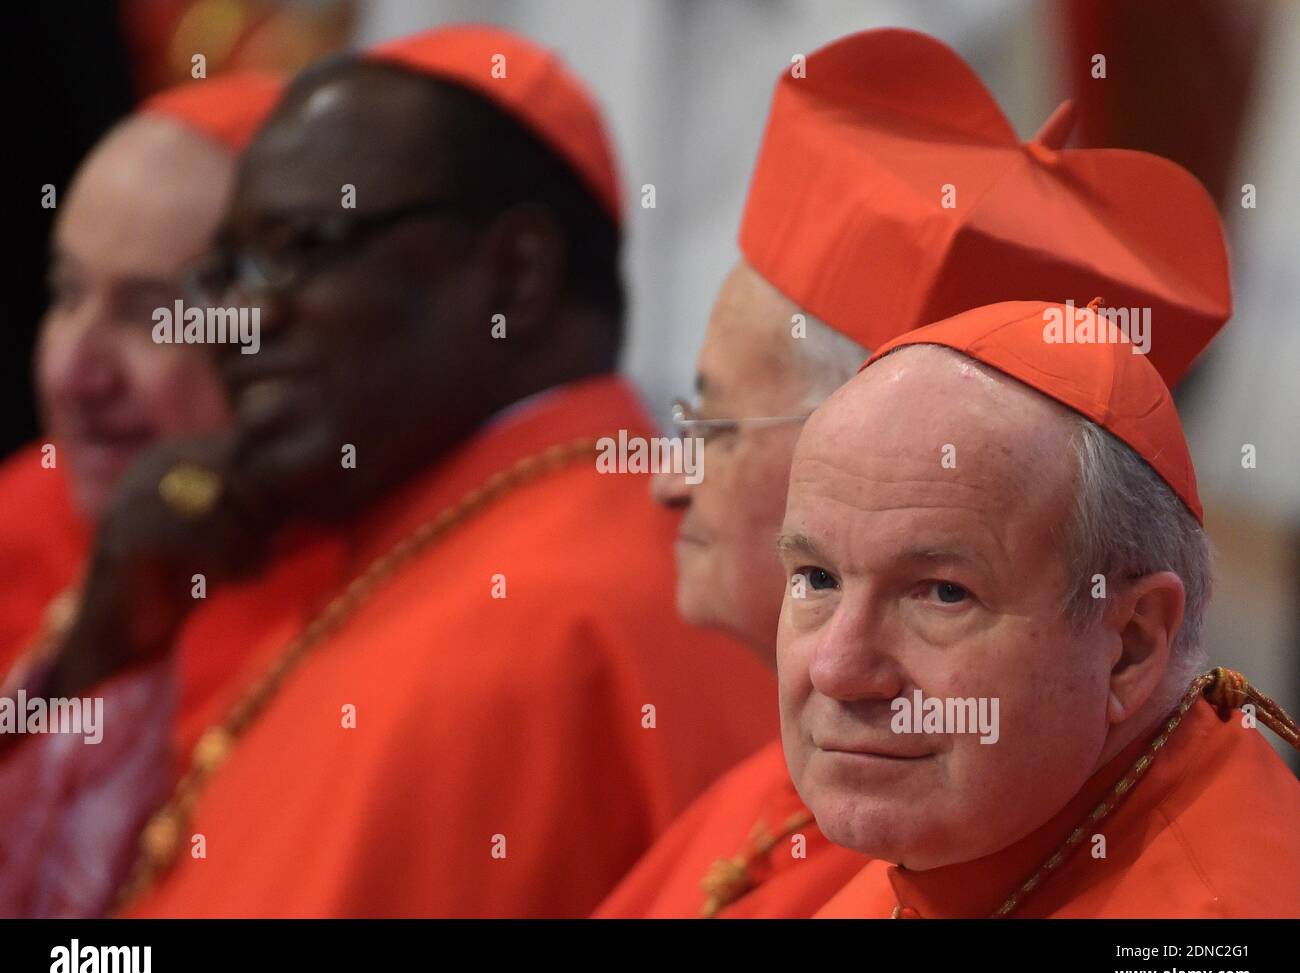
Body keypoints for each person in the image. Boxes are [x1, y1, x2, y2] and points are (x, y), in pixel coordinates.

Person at [31, 25, 774, 917]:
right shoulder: (412, 547)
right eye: (226, 273)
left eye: (299, 248)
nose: (242, 319)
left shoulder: (563, 611)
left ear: (516, 273)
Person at [596, 27, 1231, 918]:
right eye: (817, 575)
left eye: (939, 590)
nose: (666, 477)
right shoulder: (852, 784)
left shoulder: (944, 809)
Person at [778, 301, 1300, 918]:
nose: (837, 671)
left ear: (1129, 646)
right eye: (817, 578)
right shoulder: (971, 841)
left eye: (945, 593)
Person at [0, 71, 283, 917]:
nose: (72, 371)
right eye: (68, 293)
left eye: (150, 313)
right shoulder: (20, 512)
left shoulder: (352, 585)